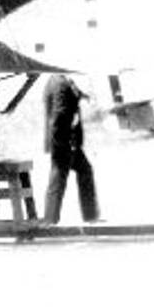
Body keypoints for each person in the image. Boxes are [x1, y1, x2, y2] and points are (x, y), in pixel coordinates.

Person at [41, 73, 100, 225]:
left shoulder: (55, 81)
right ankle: (51, 220)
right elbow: (60, 114)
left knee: (82, 171)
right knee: (59, 177)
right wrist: (67, 141)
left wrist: (80, 95)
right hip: (64, 140)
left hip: (63, 140)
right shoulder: (62, 84)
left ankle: (89, 216)